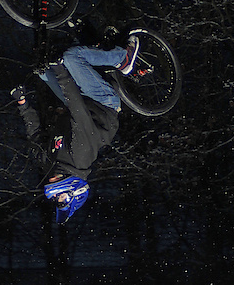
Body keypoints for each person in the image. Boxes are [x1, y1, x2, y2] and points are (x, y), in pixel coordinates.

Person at [11, 36, 140, 223]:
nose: (55, 197)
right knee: (71, 58)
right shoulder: (80, 156)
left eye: (55, 200)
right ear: (74, 192)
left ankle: (82, 34)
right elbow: (78, 110)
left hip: (78, 104)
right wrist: (61, 71)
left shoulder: (52, 163)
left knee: (42, 70)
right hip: (101, 103)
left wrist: (22, 103)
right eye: (61, 199)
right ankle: (123, 58)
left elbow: (35, 135)